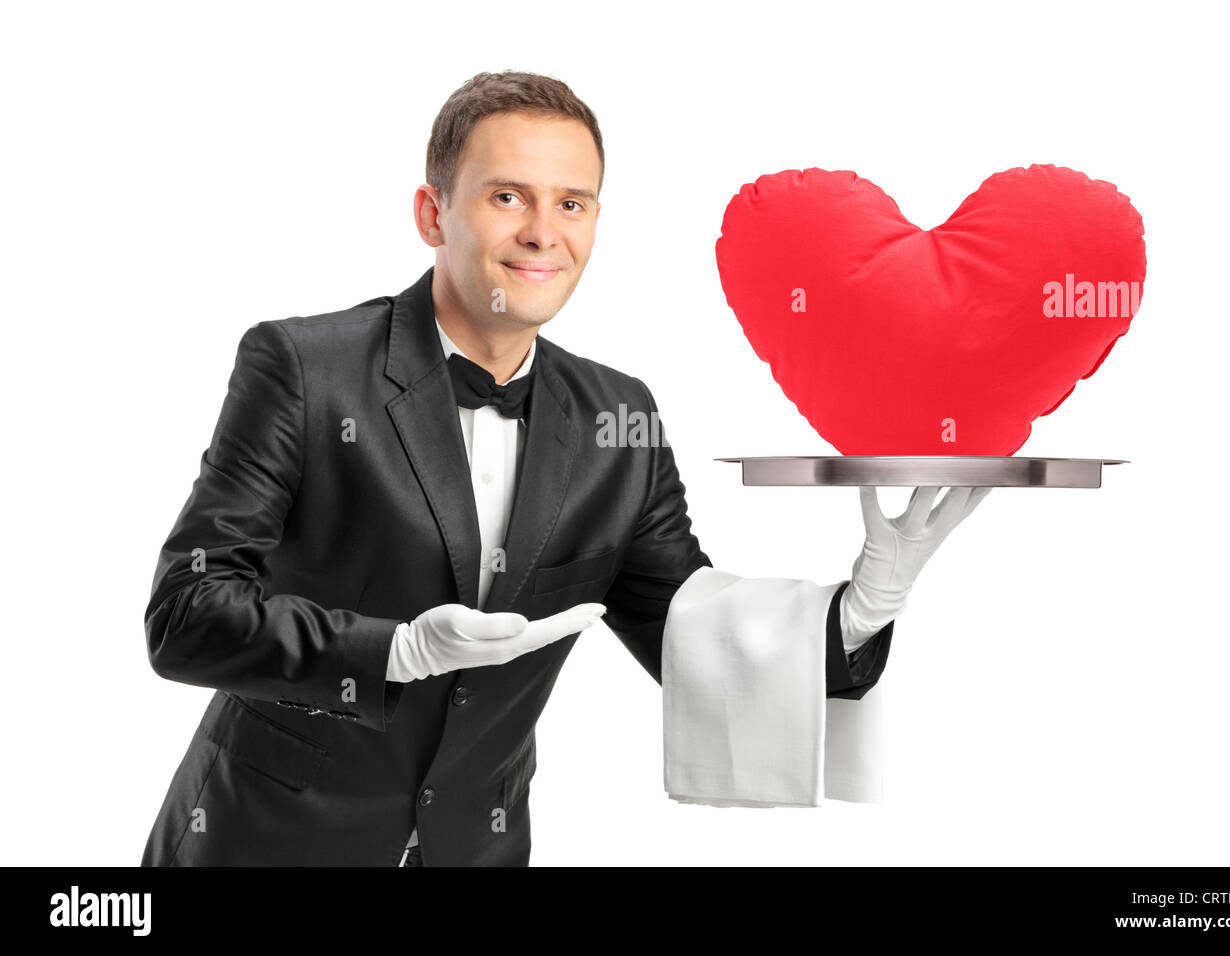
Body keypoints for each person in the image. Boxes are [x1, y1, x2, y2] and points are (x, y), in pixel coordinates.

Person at [140, 70, 989, 867]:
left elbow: (690, 634)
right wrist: (393, 650)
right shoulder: (303, 367)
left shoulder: (619, 417)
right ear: (433, 214)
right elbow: (186, 613)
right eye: (507, 196)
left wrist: (861, 608)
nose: (543, 233)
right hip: (265, 840)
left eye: (572, 203)